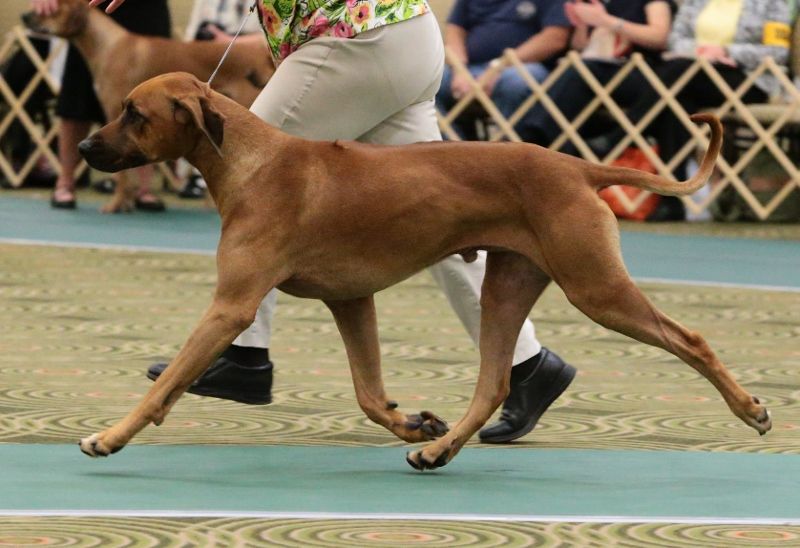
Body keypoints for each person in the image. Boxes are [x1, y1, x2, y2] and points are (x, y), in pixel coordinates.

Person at [95, 0, 577, 443]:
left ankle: (243, 354)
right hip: (402, 34)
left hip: (358, 36)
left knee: (245, 162)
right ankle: (530, 366)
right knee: (447, 219)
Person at [586, 0, 791, 187]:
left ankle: (623, 135)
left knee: (676, 74)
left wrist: (725, 51)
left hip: (748, 77)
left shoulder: (773, 3)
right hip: (693, 72)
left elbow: (778, 51)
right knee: (678, 100)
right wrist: (702, 51)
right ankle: (671, 197)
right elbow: (675, 40)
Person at [32, 0, 171, 210]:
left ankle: (142, 189)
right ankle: (66, 182)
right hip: (88, 8)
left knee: (146, 101)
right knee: (77, 94)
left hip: (145, 10)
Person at [517, 0, 675, 150]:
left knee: (580, 73)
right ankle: (549, 145)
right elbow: (580, 46)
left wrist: (605, 20)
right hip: (596, 71)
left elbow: (659, 37)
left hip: (641, 73)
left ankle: (532, 137)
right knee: (573, 73)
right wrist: (582, 23)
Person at [436, 0, 571, 140]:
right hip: (469, 68)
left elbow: (555, 38)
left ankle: (507, 151)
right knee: (429, 81)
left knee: (517, 82)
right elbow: (455, 30)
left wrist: (498, 67)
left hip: (522, 66)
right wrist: (460, 70)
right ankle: (454, 149)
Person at [176, 0, 267, 200]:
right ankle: (193, 175)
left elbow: (268, 39)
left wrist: (226, 40)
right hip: (203, 57)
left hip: (245, 59)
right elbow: (190, 35)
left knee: (252, 120)